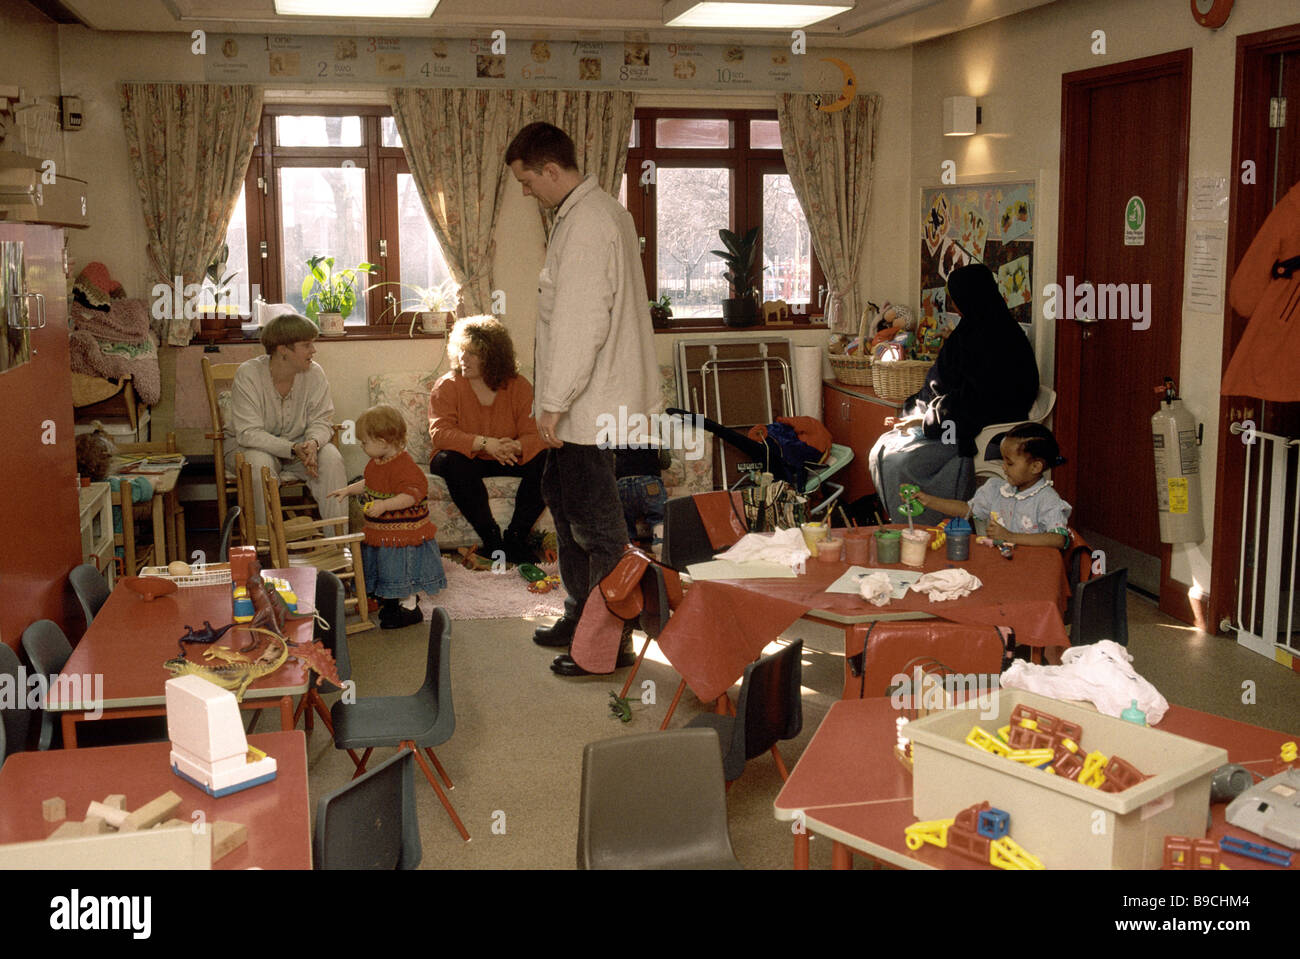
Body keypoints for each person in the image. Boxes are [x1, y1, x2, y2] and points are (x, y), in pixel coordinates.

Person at [505, 120, 659, 677]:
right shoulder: (588, 215)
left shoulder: (590, 223)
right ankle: (579, 614)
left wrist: (552, 403)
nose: (526, 193)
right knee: (564, 506)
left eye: (527, 182)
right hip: (583, 405)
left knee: (598, 528)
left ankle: (605, 641)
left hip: (587, 409)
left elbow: (579, 326)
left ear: (550, 169)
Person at [868, 263, 1039, 525]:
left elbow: (979, 400)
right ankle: (899, 522)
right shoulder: (970, 331)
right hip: (948, 417)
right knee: (881, 447)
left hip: (974, 429)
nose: (956, 305)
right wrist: (915, 409)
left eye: (957, 299)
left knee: (901, 463)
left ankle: (925, 527)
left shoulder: (1000, 340)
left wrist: (925, 420)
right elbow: (943, 382)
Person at [427, 316, 546, 566]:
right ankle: (491, 539)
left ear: (493, 357)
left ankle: (515, 538)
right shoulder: (447, 385)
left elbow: (534, 433)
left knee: (549, 460)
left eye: (473, 354)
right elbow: (440, 432)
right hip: (467, 459)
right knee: (448, 460)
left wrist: (517, 446)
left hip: (506, 455)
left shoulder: (519, 386)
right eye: (462, 351)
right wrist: (485, 443)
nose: (463, 358)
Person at [225, 313, 347, 531]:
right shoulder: (248, 374)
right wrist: (291, 448)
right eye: (306, 345)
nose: (314, 350)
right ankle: (266, 546)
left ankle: (339, 544)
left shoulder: (315, 374)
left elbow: (322, 419)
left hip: (300, 448)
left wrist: (313, 443)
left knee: (331, 458)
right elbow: (248, 433)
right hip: (251, 448)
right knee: (257, 465)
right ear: (282, 349)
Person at [329, 405, 445, 629]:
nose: (362, 446)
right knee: (386, 567)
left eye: (365, 442)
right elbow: (370, 482)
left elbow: (410, 496)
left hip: (403, 536)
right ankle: (392, 600)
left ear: (382, 442)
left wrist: (384, 505)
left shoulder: (405, 467)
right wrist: (347, 490)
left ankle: (410, 608)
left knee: (403, 570)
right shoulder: (377, 462)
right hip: (383, 533)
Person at [915, 422, 1071, 549]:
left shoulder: (1047, 499)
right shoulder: (996, 489)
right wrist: (928, 500)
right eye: (1003, 461)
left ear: (1035, 467)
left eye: (1009, 463)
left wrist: (1009, 536)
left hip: (1031, 570)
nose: (1003, 467)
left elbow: (1058, 539)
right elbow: (967, 510)